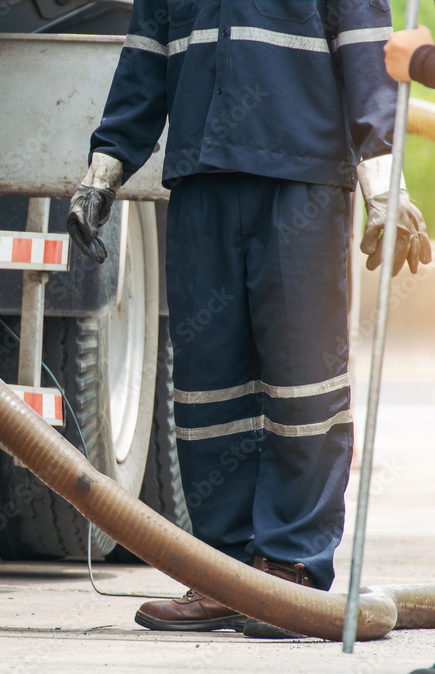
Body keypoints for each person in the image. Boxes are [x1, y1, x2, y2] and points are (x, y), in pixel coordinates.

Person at [67, 0, 431, 638]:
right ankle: (223, 572)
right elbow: (145, 60)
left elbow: (370, 56)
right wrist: (104, 170)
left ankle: (289, 569)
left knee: (304, 388)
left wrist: (386, 188)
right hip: (201, 182)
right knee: (207, 392)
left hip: (302, 183)